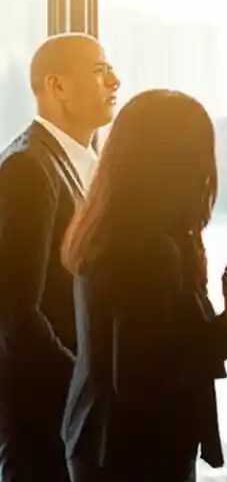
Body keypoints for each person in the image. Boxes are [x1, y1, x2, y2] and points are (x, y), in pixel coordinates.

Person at [60, 90, 227, 481]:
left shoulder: (108, 231)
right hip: (137, 450)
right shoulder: (150, 249)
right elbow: (143, 376)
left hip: (99, 439)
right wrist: (225, 322)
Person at [0, 33, 119, 482]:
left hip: (76, 415)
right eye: (99, 69)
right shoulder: (26, 168)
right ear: (57, 86)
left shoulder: (85, 163)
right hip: (46, 415)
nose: (115, 80)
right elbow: (17, 310)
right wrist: (83, 384)